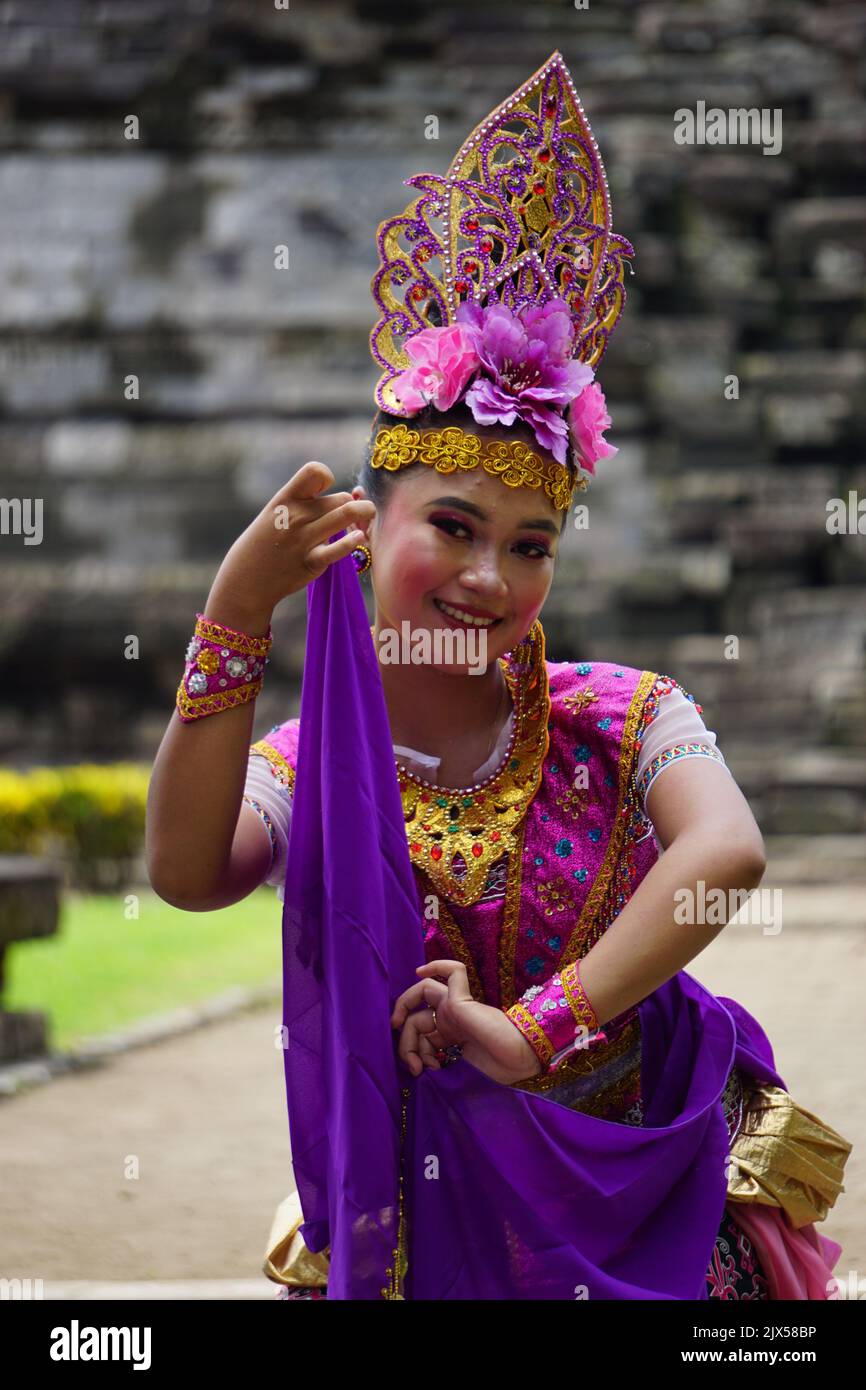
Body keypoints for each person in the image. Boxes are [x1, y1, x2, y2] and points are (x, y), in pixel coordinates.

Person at [146, 51, 851, 1301]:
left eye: (531, 545)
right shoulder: (309, 765)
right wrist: (232, 617)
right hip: (432, 1215)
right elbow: (189, 873)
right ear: (370, 525)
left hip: (648, 1188)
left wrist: (530, 1032)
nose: (491, 576)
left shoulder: (621, 712)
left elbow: (724, 858)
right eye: (454, 528)